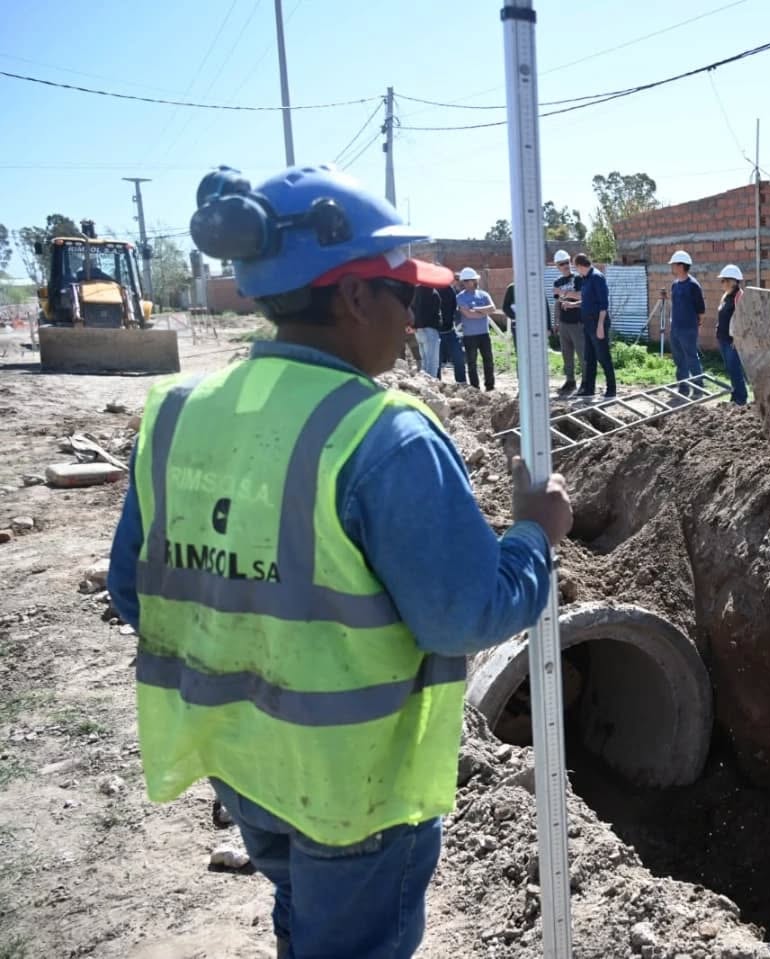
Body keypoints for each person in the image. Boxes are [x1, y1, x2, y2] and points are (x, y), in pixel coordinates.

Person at [108, 162, 572, 959]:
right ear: (355, 296)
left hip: (242, 761)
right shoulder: (383, 434)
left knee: (305, 917)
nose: (412, 314)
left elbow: (133, 591)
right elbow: (462, 615)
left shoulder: (178, 414)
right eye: (405, 293)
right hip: (352, 790)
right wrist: (535, 534)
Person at [572, 253, 615, 398]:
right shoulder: (585, 279)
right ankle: (589, 389)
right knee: (589, 357)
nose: (576, 270)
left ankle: (611, 389)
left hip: (598, 321)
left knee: (603, 356)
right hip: (587, 322)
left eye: (575, 267)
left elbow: (603, 304)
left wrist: (601, 325)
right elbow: (587, 300)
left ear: (580, 265)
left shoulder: (597, 277)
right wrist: (573, 305)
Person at [667, 250, 705, 397]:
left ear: (681, 266)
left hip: (688, 329)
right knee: (679, 359)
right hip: (675, 328)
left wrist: (696, 326)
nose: (672, 267)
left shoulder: (693, 285)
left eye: (674, 264)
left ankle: (698, 389)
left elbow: (700, 310)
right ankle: (683, 388)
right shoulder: (675, 285)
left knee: (691, 358)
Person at [456, 266, 501, 391]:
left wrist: (475, 309)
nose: (474, 282)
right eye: (470, 280)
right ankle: (475, 387)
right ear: (464, 282)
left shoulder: (484, 294)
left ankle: (490, 386)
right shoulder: (460, 297)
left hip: (484, 334)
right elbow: (468, 315)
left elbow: (492, 308)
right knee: (472, 362)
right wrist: (483, 311)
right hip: (469, 335)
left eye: (474, 280)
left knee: (488, 360)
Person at [551, 250, 586, 397]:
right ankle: (570, 381)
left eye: (566, 262)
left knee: (582, 354)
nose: (565, 266)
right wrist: (556, 322)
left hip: (578, 322)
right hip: (564, 323)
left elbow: (582, 296)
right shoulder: (557, 282)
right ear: (557, 266)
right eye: (561, 264)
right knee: (566, 355)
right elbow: (557, 303)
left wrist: (564, 293)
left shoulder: (578, 278)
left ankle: (586, 382)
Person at [715, 264, 748, 405]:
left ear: (732, 281)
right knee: (730, 369)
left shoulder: (739, 296)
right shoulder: (726, 296)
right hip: (723, 339)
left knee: (735, 369)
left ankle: (741, 398)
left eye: (724, 280)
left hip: (732, 341)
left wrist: (738, 338)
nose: (722, 283)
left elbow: (743, 318)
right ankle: (735, 396)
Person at [410, 282, 443, 378]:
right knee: (432, 362)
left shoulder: (415, 291)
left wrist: (413, 326)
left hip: (418, 331)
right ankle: (431, 385)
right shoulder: (433, 293)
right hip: (430, 330)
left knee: (424, 361)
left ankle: (425, 384)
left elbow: (412, 309)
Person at [438, 278, 465, 384]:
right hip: (436, 332)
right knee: (437, 361)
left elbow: (454, 307)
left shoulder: (449, 290)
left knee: (458, 356)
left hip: (450, 330)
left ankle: (461, 382)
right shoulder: (430, 289)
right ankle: (436, 383)